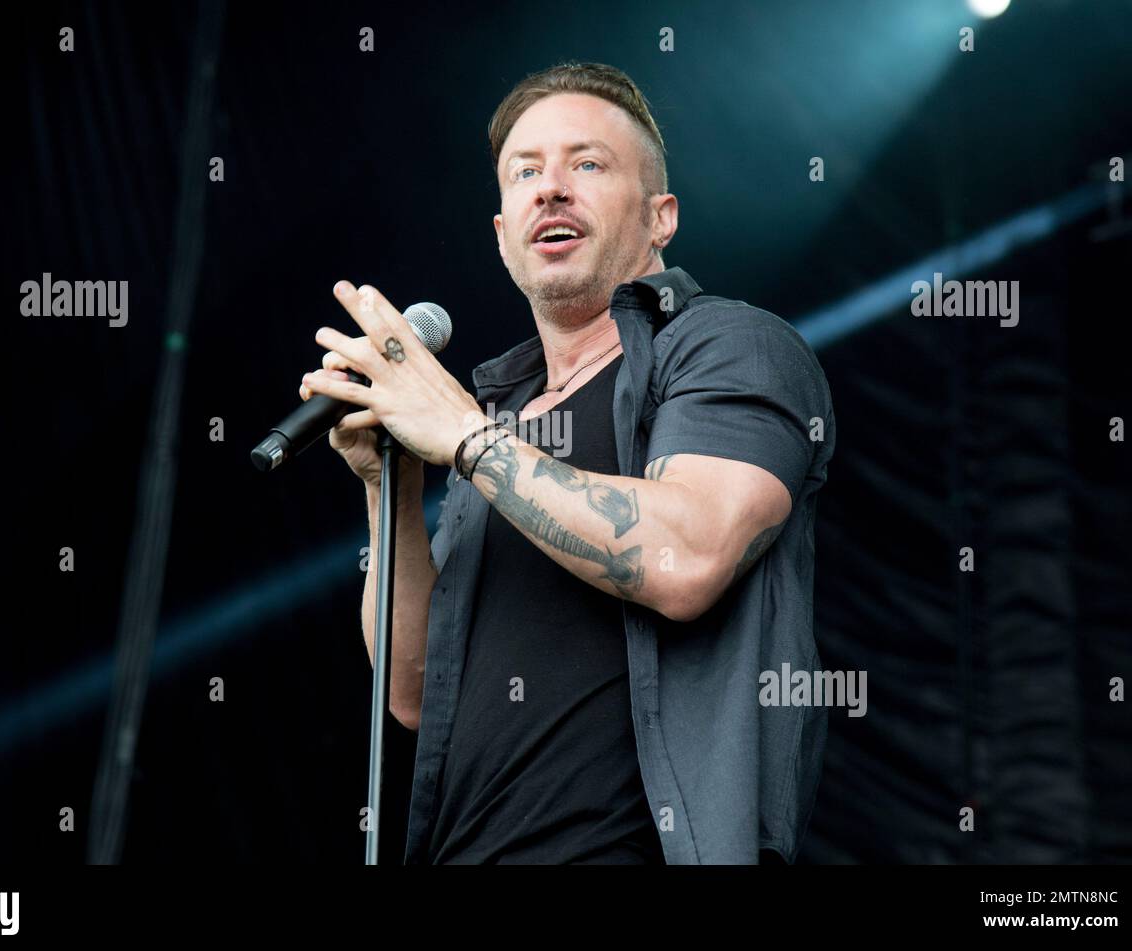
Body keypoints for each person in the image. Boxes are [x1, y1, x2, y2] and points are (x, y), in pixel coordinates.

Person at [299, 61, 835, 864]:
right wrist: (392, 484)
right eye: (526, 172)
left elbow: (684, 556)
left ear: (662, 218)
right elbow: (412, 690)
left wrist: (463, 438)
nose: (550, 189)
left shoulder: (729, 345)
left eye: (586, 163)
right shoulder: (499, 422)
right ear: (502, 232)